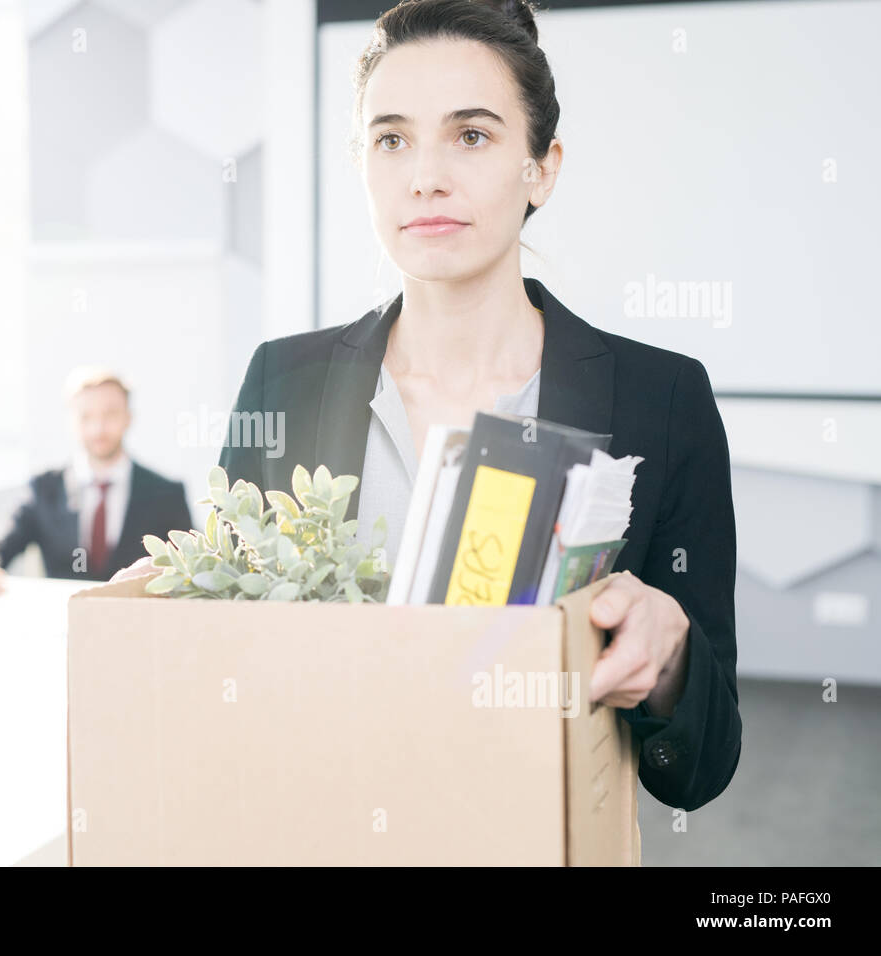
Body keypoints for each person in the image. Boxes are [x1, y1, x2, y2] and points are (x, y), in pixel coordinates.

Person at [117, 0, 740, 813]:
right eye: (392, 139)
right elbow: (229, 671)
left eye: (472, 135)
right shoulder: (284, 381)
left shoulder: (663, 398)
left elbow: (699, 769)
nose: (426, 175)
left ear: (542, 167)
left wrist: (671, 664)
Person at [0, 366, 192, 593]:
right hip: (62, 624)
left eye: (110, 414)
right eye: (85, 416)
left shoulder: (166, 494)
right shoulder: (44, 488)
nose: (98, 428)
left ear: (128, 418)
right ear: (71, 422)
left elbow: (196, 561)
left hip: (139, 626)